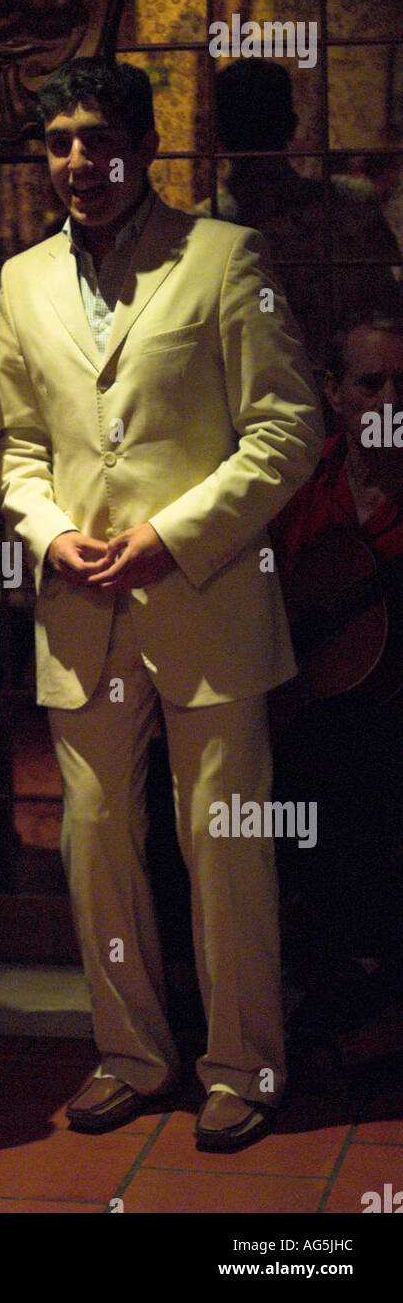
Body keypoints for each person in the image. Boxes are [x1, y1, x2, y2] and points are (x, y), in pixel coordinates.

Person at [0, 58, 323, 1151]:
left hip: (209, 600)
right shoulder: (21, 279)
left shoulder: (227, 257)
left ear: (143, 141)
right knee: (94, 842)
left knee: (224, 846)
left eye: (96, 137)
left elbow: (287, 430)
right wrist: (49, 531)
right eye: (58, 144)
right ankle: (131, 1053)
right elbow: (18, 448)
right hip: (80, 609)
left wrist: (168, 539)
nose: (78, 162)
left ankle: (244, 1065)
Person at [270, 309, 403, 1036]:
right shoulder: (297, 485)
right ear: (333, 391)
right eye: (370, 383)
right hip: (310, 726)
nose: (390, 403)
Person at [194, 59, 402, 382]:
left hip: (256, 400)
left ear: (217, 134)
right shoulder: (351, 204)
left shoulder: (206, 226)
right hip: (352, 399)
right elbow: (389, 309)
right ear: (291, 125)